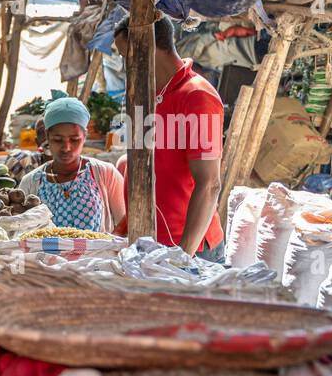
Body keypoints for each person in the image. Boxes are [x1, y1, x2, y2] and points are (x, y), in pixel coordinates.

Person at [113, 14, 225, 260]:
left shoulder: (196, 96)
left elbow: (209, 185)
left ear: (147, 47)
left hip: (190, 248)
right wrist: (125, 226)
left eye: (126, 57)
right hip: (151, 241)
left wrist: (182, 258)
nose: (125, 66)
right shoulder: (147, 94)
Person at [18, 93, 126, 233]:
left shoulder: (105, 173)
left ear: (84, 136)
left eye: (74, 139)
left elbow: (124, 222)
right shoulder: (31, 183)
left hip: (98, 254)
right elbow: (21, 231)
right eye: (58, 139)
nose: (66, 148)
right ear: (47, 136)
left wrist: (107, 245)